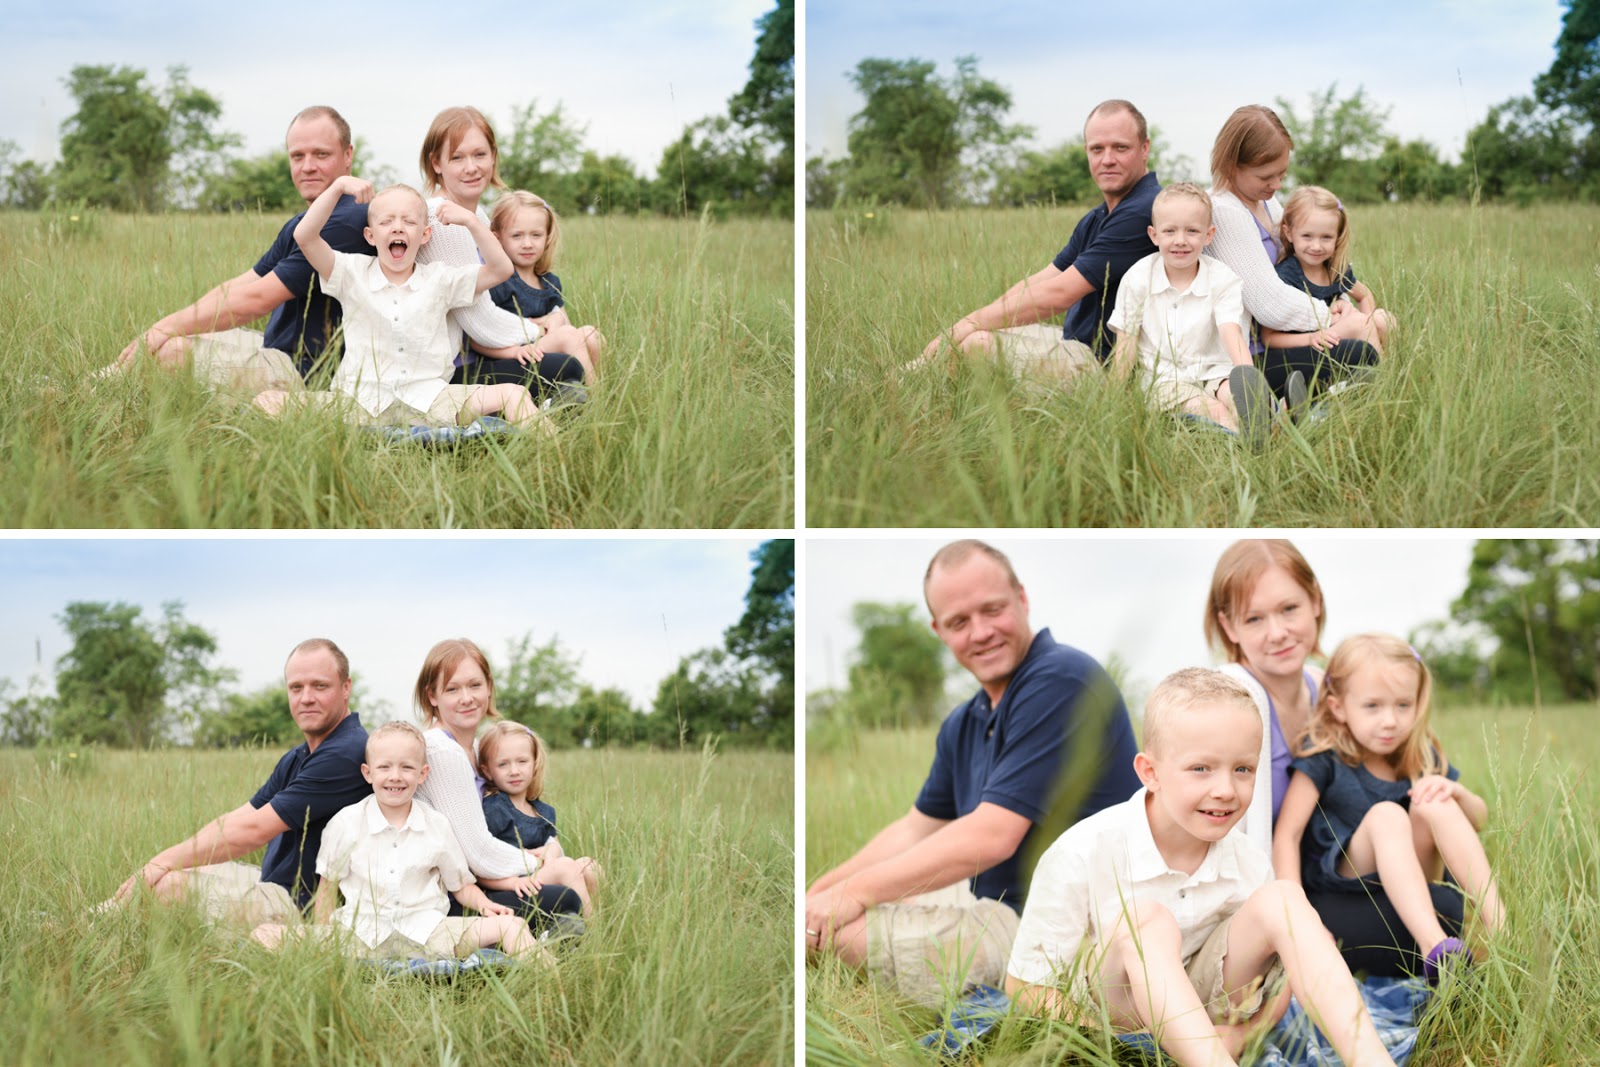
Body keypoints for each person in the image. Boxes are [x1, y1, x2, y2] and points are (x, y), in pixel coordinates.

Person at [804, 539, 1141, 1006]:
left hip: (1061, 928)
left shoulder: (1060, 679)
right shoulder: (963, 722)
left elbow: (992, 835)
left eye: (993, 610)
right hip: (993, 908)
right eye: (959, 622)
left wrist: (851, 897)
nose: (980, 632)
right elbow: (914, 829)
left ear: (1022, 599)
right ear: (937, 630)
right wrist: (818, 896)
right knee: (824, 921)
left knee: (838, 937)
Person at [1007, 668, 1400, 1067]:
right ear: (1151, 772)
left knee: (1283, 898)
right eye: (1201, 769)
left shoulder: (1246, 860)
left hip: (1209, 1008)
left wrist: (1247, 1032)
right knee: (1146, 921)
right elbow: (1024, 984)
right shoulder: (1083, 850)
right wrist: (1107, 1042)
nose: (1226, 790)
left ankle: (1370, 1060)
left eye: (1242, 769)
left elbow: (1282, 976)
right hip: (1116, 1014)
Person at [1205, 538, 1466, 973]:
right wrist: (1297, 925)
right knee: (1441, 910)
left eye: (1289, 609)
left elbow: (1401, 765)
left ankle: (1446, 949)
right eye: (1254, 618)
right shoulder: (1230, 700)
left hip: (1341, 875)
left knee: (1443, 904)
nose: (1277, 632)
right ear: (1230, 628)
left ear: (1316, 603)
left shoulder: (1329, 692)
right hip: (1262, 900)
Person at [1272, 634, 1503, 983]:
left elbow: (1478, 820)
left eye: (1402, 705)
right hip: (1346, 885)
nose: (1390, 721)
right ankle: (1434, 947)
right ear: (1338, 707)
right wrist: (1296, 918)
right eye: (1373, 706)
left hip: (1413, 882)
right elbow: (1287, 836)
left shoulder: (1421, 753)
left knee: (1436, 803)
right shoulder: (1324, 753)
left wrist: (1457, 792)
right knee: (1388, 814)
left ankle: (1502, 932)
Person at [108, 107, 374, 391]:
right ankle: (99, 382)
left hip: (307, 372)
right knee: (183, 337)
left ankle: (103, 387)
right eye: (297, 156)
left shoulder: (346, 220)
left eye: (321, 154)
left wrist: (163, 329)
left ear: (348, 155)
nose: (307, 166)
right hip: (275, 349)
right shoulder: (306, 221)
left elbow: (257, 299)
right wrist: (160, 328)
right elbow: (238, 286)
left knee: (171, 351)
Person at [104, 639, 370, 924]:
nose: (306, 697)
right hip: (269, 882)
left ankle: (96, 923)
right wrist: (160, 864)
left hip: (301, 905)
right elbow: (237, 818)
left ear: (346, 688)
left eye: (320, 686)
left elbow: (253, 831)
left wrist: (159, 863)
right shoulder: (300, 755)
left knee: (168, 886)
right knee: (180, 872)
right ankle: (94, 918)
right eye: (296, 687)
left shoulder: (346, 753)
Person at [252, 176, 545, 428]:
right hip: (358, 404)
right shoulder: (350, 273)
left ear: (425, 235)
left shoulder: (440, 279)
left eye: (409, 221)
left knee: (513, 394)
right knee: (266, 400)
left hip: (430, 400)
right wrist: (338, 186)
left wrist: (469, 220)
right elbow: (305, 236)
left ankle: (551, 457)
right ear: (370, 235)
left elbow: (501, 270)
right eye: (386, 221)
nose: (397, 228)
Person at [913, 100, 1162, 383]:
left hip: (1107, 365)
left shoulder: (1146, 209)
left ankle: (921, 397)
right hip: (1076, 343)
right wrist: (967, 325)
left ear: (1144, 148)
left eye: (1120, 147)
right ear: (1087, 153)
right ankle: (905, 379)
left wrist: (967, 325)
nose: (1107, 159)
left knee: (976, 345)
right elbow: (1041, 280)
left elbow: (1058, 294)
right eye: (1097, 149)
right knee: (980, 334)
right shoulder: (1099, 216)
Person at [251, 722, 541, 960]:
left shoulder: (436, 825)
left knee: (512, 926)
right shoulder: (346, 822)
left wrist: (484, 907)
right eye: (385, 767)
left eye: (406, 768)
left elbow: (461, 885)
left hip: (429, 933)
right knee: (263, 933)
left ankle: (551, 985)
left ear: (422, 774)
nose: (395, 777)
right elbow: (327, 891)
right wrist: (325, 943)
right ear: (368, 773)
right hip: (360, 936)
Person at [1205, 105, 1380, 401]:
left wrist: (1339, 300)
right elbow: (1267, 302)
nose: (1277, 185)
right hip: (1248, 355)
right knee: (1360, 352)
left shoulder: (1265, 203)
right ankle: (1309, 406)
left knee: (1376, 327)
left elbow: (1304, 267)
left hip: (1282, 339)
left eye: (1282, 175)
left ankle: (1310, 405)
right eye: (1266, 177)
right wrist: (1332, 318)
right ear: (1233, 165)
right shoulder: (1223, 210)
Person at [415, 106, 589, 402]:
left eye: (480, 155)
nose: (471, 167)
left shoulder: (477, 215)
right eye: (457, 157)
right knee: (564, 365)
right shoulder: (441, 219)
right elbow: (478, 321)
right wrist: (541, 329)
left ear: (493, 156)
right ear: (437, 163)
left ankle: (570, 413)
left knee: (579, 345)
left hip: (475, 356)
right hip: (447, 373)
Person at [412, 638, 585, 931]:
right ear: (432, 696)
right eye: (452, 689)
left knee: (586, 870)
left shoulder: (479, 750)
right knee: (564, 898)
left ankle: (573, 943)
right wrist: (542, 863)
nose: (466, 697)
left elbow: (517, 815)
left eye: (475, 685)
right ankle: (578, 945)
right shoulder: (441, 750)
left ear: (489, 687)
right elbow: (477, 854)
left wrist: (551, 848)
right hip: (452, 897)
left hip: (483, 881)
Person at [1108, 183, 1275, 443]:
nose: (1180, 240)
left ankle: (1269, 417)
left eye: (1192, 231)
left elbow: (1231, 332)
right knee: (1216, 410)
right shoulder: (1138, 278)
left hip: (1216, 372)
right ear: (1154, 235)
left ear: (1208, 235)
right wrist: (1113, 403)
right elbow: (1125, 347)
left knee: (1235, 396)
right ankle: (1260, 438)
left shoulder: (1223, 278)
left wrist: (1247, 378)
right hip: (1165, 381)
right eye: (1170, 231)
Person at [468, 190, 604, 380]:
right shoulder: (497, 280)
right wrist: (513, 351)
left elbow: (567, 326)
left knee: (591, 335)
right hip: (509, 357)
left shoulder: (549, 281)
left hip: (543, 349)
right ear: (497, 238)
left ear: (547, 236)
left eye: (536, 235)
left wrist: (555, 320)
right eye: (517, 236)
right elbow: (476, 339)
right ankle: (596, 396)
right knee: (569, 336)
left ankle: (581, 386)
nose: (527, 244)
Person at [477, 721, 603, 915]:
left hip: (541, 876)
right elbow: (480, 866)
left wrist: (551, 850)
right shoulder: (495, 808)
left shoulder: (543, 811)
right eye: (503, 764)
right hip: (512, 886)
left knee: (590, 865)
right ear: (487, 771)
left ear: (535, 762)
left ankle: (588, 916)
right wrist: (512, 881)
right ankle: (593, 929)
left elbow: (557, 851)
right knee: (566, 867)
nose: (514, 771)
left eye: (522, 761)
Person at [1263, 185, 1393, 354]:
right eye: (1307, 236)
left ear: (1337, 237)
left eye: (1326, 237)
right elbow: (1268, 337)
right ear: (1289, 233)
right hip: (1307, 347)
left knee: (1384, 319)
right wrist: (1312, 337)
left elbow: (1364, 295)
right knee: (1361, 323)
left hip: (1335, 336)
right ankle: (1379, 374)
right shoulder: (1286, 275)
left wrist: (1368, 323)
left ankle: (1378, 366)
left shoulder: (1335, 268)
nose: (1316, 246)